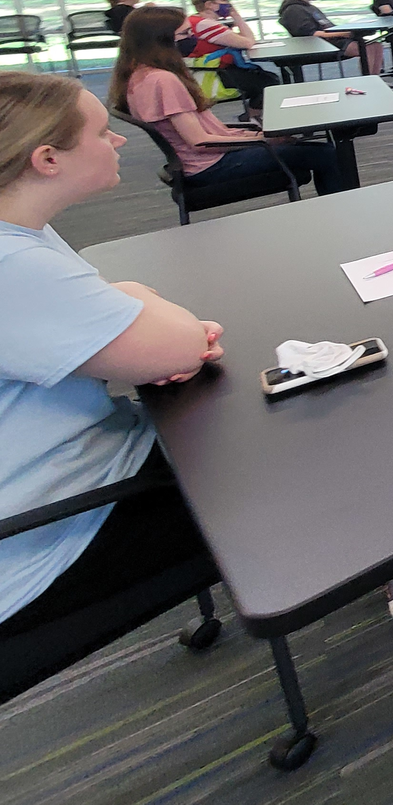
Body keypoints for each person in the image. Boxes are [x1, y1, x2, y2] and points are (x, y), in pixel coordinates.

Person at [0, 71, 227, 696]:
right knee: (303, 432)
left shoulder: (22, 232)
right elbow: (180, 346)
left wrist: (131, 310)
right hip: (55, 528)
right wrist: (150, 321)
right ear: (46, 159)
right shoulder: (12, 265)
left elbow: (111, 309)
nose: (121, 141)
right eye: (102, 133)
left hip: (67, 474)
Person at [112, 6, 348, 197]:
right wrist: (263, 140)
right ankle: (340, 213)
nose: (192, 39)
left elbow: (201, 133)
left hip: (198, 162)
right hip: (210, 166)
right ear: (160, 40)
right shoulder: (163, 80)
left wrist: (255, 136)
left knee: (306, 146)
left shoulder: (137, 75)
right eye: (185, 34)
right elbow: (200, 141)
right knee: (324, 153)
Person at [178, 0, 276, 124]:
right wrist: (236, 16)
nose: (228, 4)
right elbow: (248, 42)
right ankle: (253, 118)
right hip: (215, 73)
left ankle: (251, 117)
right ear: (209, 5)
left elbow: (244, 39)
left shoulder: (199, 21)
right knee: (269, 82)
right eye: (223, 0)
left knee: (265, 77)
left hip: (217, 68)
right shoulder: (205, 24)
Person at [279, 0, 383, 76]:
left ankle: (375, 79)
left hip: (334, 40)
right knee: (368, 48)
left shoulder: (309, 7)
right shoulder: (293, 10)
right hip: (321, 45)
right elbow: (312, 33)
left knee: (376, 46)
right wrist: (345, 34)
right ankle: (369, 80)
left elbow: (327, 27)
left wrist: (346, 32)